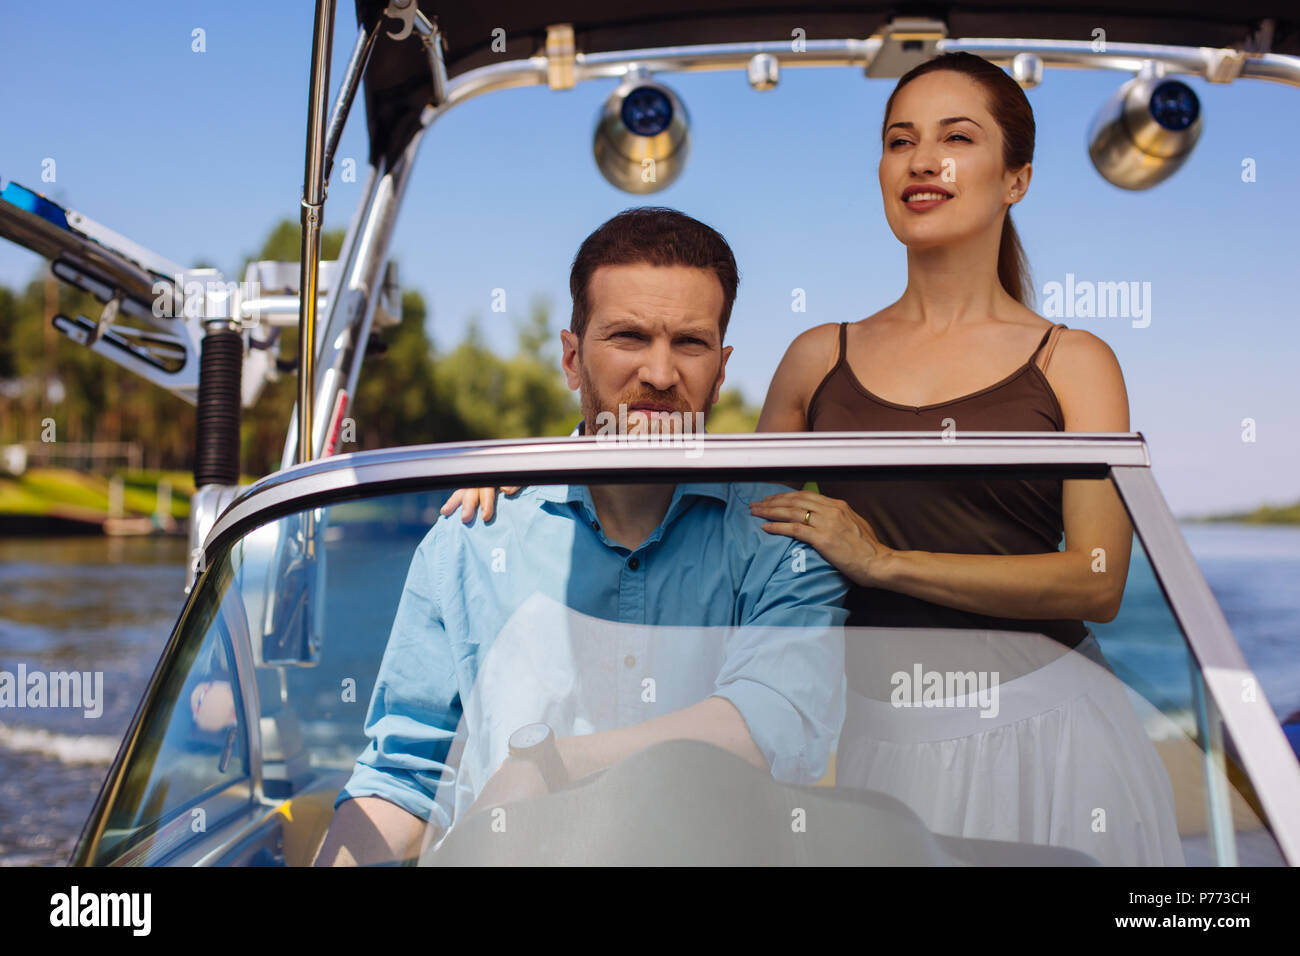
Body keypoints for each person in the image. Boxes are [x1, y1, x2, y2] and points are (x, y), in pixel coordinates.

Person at [444, 53, 1182, 865]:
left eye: (957, 138)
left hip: (1053, 734)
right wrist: (532, 468)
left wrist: (884, 563)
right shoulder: (816, 358)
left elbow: (1098, 578)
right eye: (900, 141)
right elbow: (719, 514)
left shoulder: (1072, 360)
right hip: (886, 749)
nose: (923, 160)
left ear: (1016, 178)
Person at [313, 208, 849, 866]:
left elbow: (775, 723)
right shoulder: (469, 540)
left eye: (689, 343)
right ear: (572, 358)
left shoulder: (784, 543)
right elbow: (403, 779)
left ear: (722, 367)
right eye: (628, 337)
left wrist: (546, 765)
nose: (659, 374)